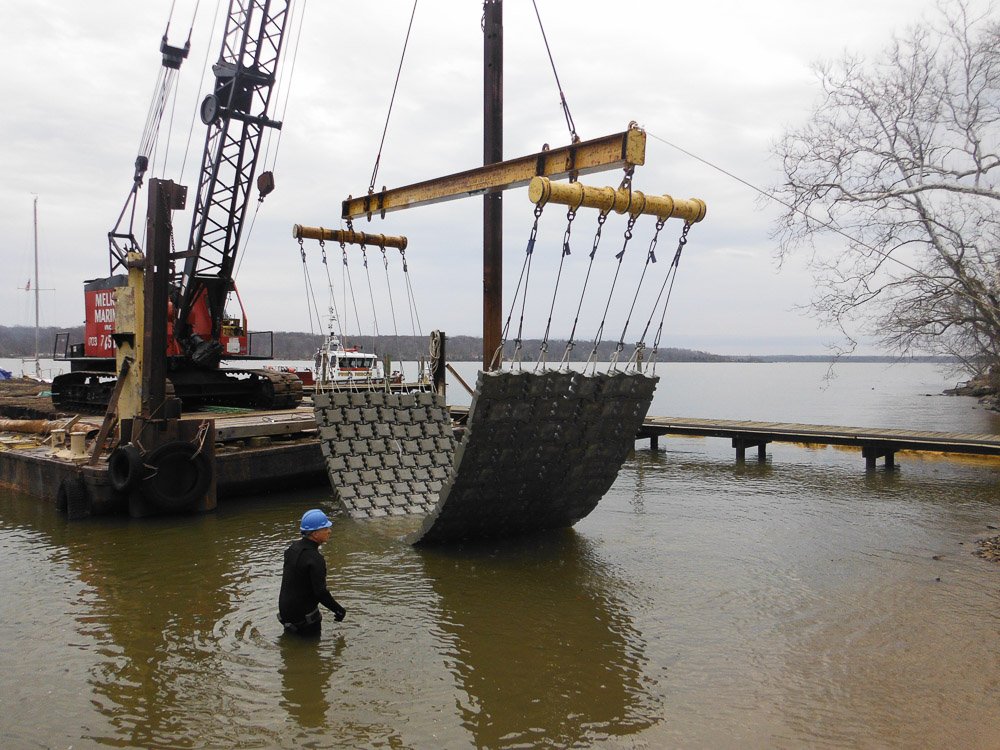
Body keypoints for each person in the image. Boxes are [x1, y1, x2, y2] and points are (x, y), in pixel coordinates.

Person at [278, 508, 347, 636]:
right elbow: (320, 592)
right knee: (312, 651)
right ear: (315, 534)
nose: (329, 531)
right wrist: (339, 610)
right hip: (305, 620)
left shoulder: (291, 549)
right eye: (326, 528)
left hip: (285, 614)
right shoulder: (315, 559)